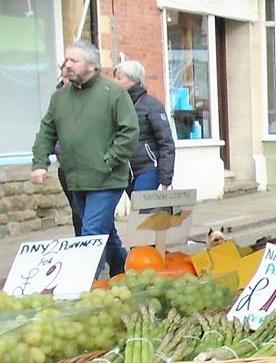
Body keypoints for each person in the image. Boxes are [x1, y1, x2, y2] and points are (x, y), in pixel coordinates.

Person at [31, 41, 139, 277]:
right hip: (75, 180)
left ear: (92, 65)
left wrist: (108, 162)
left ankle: (82, 286)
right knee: (104, 232)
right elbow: (46, 132)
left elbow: (129, 133)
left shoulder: (114, 93)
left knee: (90, 234)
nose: (67, 65)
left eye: (74, 61)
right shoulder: (59, 98)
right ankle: (121, 269)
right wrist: (40, 163)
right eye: (66, 60)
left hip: (107, 180)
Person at [113, 60, 176, 194]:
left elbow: (166, 142)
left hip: (148, 168)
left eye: (119, 78)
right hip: (125, 170)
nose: (115, 82)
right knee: (142, 210)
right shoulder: (116, 105)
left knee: (140, 207)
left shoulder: (152, 105)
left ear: (133, 79)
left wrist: (166, 179)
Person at [53, 61, 83, 237]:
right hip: (66, 166)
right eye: (62, 77)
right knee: (76, 209)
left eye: (67, 77)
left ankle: (101, 254)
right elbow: (50, 130)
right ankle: (81, 247)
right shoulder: (58, 100)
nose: (63, 81)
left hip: (88, 165)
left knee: (88, 213)